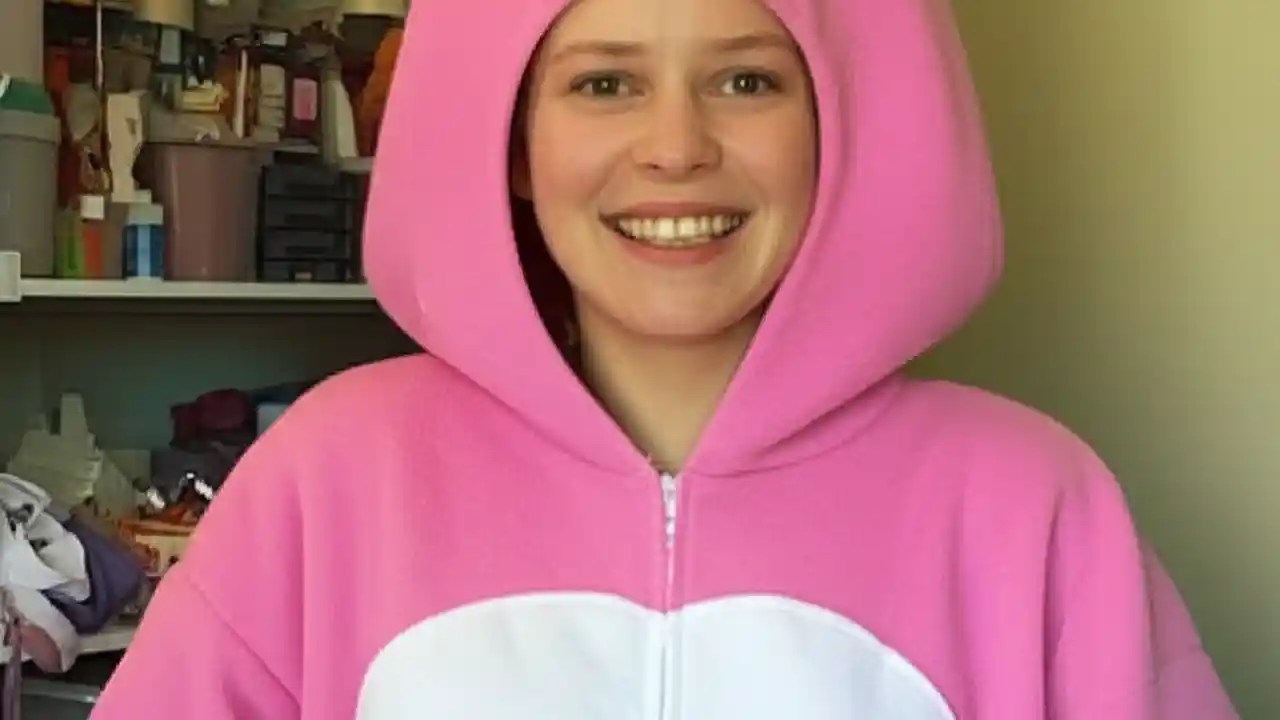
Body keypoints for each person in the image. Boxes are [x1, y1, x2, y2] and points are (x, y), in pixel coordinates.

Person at [92, 0, 1238, 717]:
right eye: (603, 82)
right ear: (516, 145)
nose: (676, 148)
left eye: (746, 79)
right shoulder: (332, 478)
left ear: (833, 127)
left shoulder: (1030, 508)